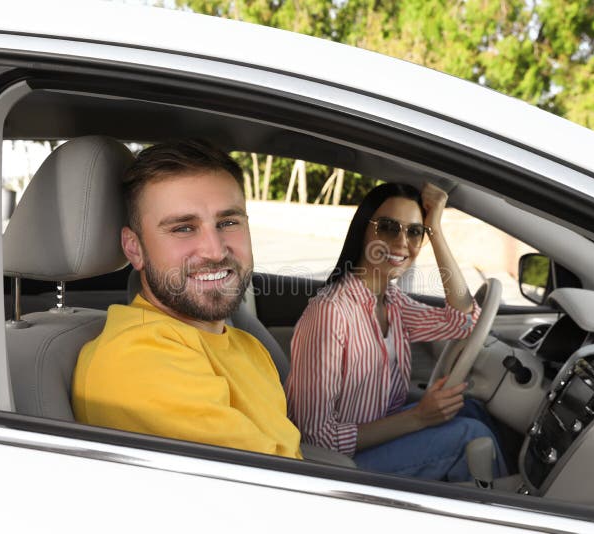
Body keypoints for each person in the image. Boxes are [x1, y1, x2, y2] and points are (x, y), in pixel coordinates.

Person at [72, 140, 302, 459]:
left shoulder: (247, 345)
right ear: (134, 247)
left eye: (228, 222)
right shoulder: (137, 360)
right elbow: (279, 492)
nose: (215, 250)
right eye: (183, 228)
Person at [285, 182, 506, 481]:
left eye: (415, 232)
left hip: (377, 431)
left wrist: (436, 231)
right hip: (337, 466)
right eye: (389, 227)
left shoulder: (392, 301)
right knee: (470, 433)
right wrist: (418, 417)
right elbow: (317, 439)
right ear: (364, 230)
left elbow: (463, 321)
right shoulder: (330, 314)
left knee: (470, 409)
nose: (403, 242)